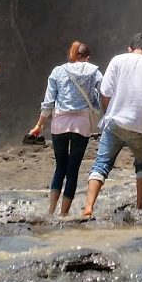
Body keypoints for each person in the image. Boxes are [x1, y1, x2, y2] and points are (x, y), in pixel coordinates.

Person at [80, 33, 142, 218]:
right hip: (139, 126)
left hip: (115, 122)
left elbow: (105, 92)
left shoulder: (117, 60)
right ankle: (140, 208)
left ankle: (88, 207)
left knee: (101, 164)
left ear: (129, 48)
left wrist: (108, 112)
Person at [28, 41, 104, 216]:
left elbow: (49, 102)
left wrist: (39, 124)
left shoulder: (58, 71)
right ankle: (63, 214)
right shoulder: (94, 71)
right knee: (73, 170)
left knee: (60, 167)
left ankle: (50, 211)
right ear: (87, 58)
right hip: (82, 123)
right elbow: (105, 91)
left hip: (60, 122)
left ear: (72, 54)